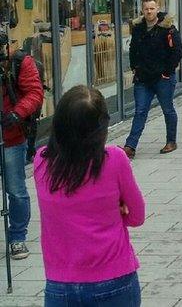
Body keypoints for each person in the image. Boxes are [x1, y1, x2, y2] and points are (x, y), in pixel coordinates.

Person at [35, 85, 145, 305]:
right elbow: (137, 216)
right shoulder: (114, 159)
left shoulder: (42, 161)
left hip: (60, 284)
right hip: (114, 279)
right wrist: (114, 211)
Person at [124, 0, 182, 158]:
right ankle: (130, 146)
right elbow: (133, 49)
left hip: (162, 78)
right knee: (140, 111)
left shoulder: (168, 28)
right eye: (146, 9)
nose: (149, 11)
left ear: (157, 9)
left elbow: (178, 52)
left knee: (167, 109)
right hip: (143, 79)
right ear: (142, 10)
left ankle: (171, 141)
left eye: (152, 8)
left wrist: (166, 72)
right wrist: (134, 68)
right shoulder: (138, 28)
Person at [0, 40, 43, 261]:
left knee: (15, 190)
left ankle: (17, 237)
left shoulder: (19, 61)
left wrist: (17, 113)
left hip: (11, 137)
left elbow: (35, 93)